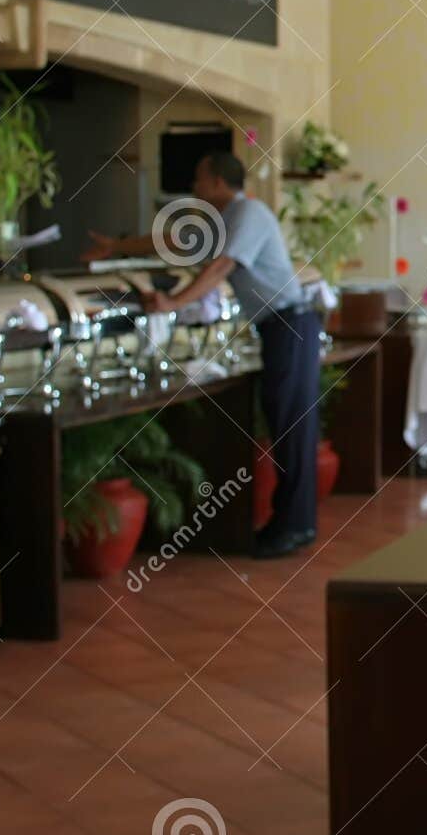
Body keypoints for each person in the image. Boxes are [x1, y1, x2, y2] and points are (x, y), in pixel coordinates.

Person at [83, 152, 320, 559]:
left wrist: (173, 303)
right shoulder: (223, 222)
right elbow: (174, 241)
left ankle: (293, 527)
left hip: (291, 325)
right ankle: (292, 523)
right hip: (278, 328)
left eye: (198, 179)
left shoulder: (249, 212)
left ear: (217, 183)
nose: (193, 188)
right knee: (283, 422)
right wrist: (116, 248)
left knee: (291, 426)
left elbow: (219, 269)